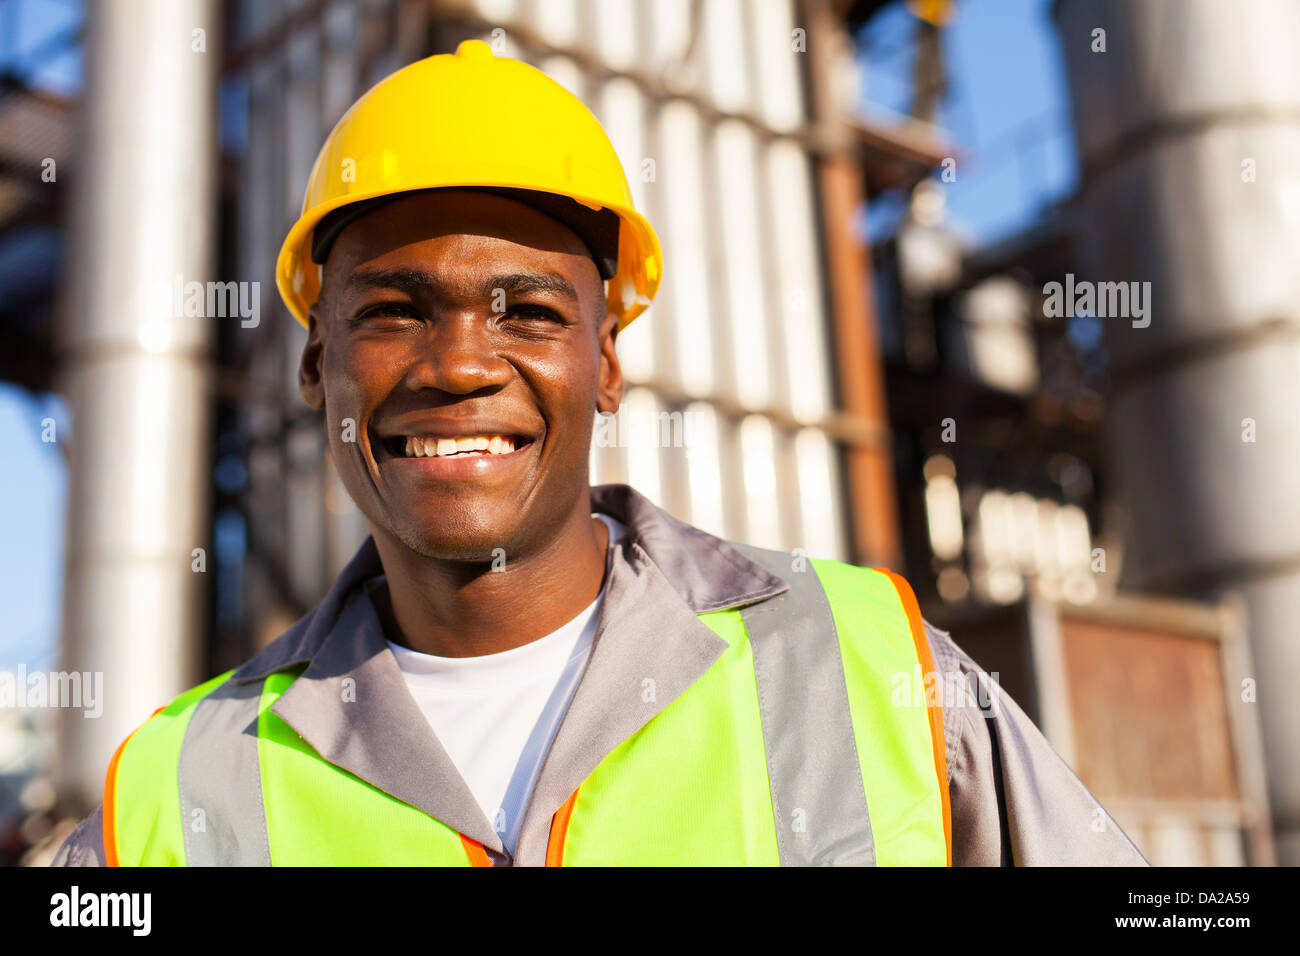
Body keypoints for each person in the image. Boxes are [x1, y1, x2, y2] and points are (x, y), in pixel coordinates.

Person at [52, 40, 1147, 867]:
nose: (459, 364)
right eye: (392, 310)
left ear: (606, 362)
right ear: (314, 365)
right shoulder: (166, 795)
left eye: (526, 311)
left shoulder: (880, 674)